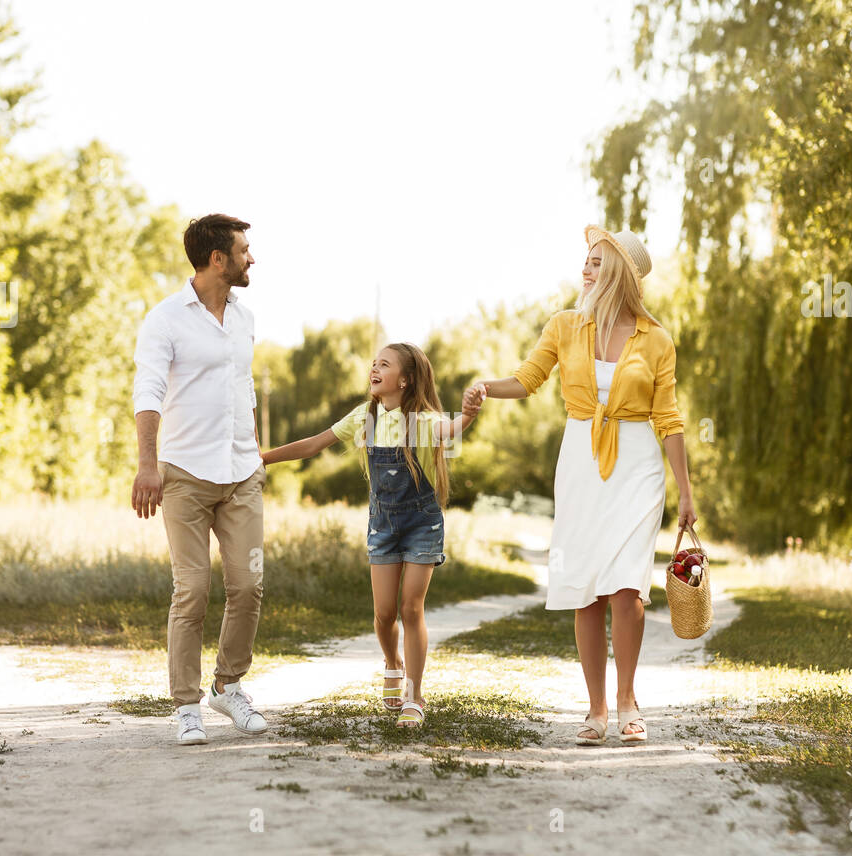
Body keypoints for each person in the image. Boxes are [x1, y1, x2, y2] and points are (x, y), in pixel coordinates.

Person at [469, 226, 696, 745]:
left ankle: (627, 701)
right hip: (580, 459)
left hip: (637, 464)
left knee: (626, 586)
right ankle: (595, 709)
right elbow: (527, 379)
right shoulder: (565, 325)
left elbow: (670, 419)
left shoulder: (656, 339)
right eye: (586, 261)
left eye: (597, 262)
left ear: (618, 271)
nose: (586, 269)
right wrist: (485, 387)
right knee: (586, 591)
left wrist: (686, 490)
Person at [262, 343, 481, 729]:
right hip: (382, 526)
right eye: (373, 363)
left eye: (385, 364)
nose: (374, 369)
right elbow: (314, 444)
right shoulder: (365, 417)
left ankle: (415, 695)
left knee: (411, 608)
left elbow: (452, 428)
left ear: (405, 379)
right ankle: (392, 662)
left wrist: (467, 415)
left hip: (422, 524)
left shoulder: (423, 421)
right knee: (383, 615)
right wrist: (262, 457)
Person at [131, 214, 269, 745]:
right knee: (191, 590)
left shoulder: (245, 317)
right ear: (218, 258)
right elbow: (147, 391)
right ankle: (187, 705)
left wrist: (254, 448)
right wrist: (148, 464)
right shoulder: (165, 319)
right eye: (244, 249)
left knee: (249, 585)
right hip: (185, 473)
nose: (251, 258)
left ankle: (228, 687)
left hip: (240, 474)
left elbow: (245, 386)